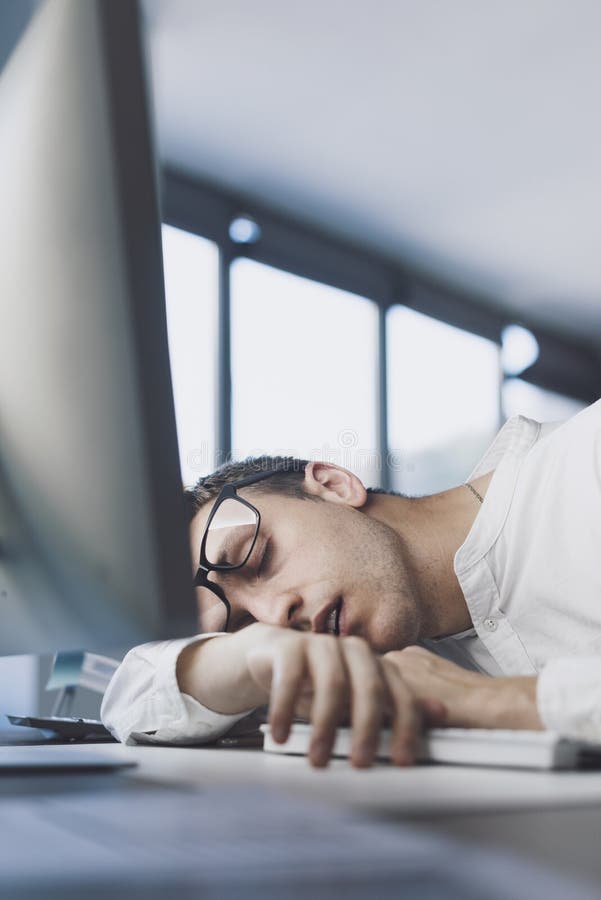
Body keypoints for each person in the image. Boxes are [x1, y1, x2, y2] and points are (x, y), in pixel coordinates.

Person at [101, 400, 601, 768]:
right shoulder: (383, 666)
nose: (276, 617)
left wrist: (487, 703)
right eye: (244, 623)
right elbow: (134, 698)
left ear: (335, 485)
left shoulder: (584, 463)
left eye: (258, 556)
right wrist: (249, 658)